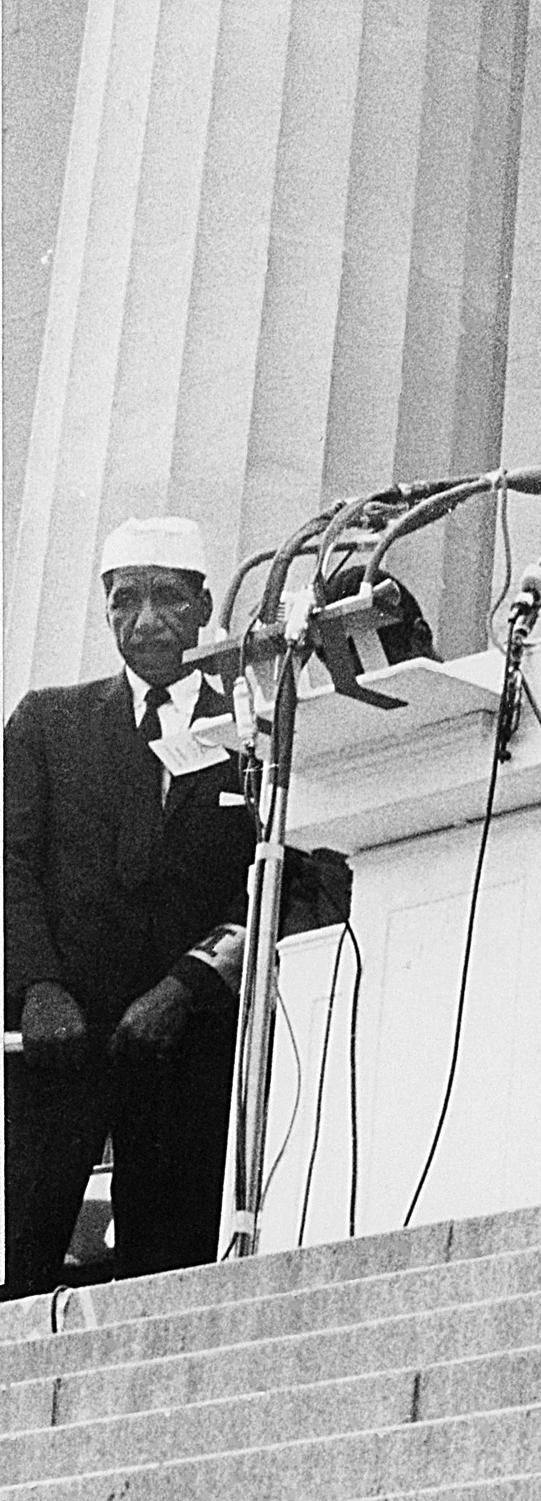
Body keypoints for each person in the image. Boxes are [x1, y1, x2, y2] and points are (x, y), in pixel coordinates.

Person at [4, 518, 252, 1298]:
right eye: (125, 599)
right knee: (19, 1265)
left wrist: (188, 984)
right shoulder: (47, 721)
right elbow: (9, 861)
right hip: (58, 1043)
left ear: (204, 605)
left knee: (166, 1278)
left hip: (182, 1049)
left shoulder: (255, 730)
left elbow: (279, 878)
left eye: (168, 597)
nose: (146, 620)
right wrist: (37, 986)